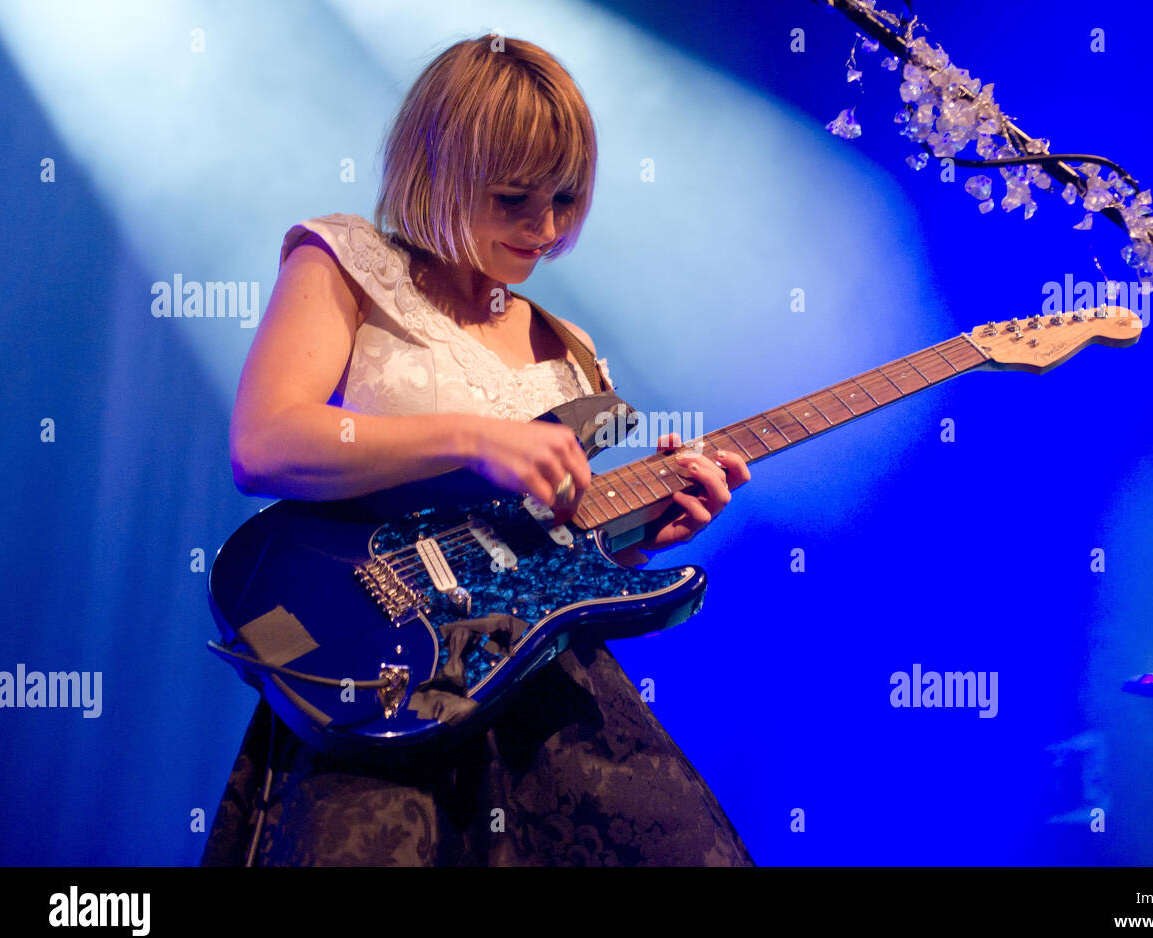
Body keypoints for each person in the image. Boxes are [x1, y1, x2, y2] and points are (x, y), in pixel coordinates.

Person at [199, 34, 754, 866]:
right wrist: (474, 436)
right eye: (513, 198)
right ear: (441, 171)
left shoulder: (573, 352)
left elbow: (539, 552)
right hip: (379, 670)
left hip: (552, 700)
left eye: (567, 200)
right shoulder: (347, 259)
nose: (546, 227)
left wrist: (643, 530)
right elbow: (263, 441)